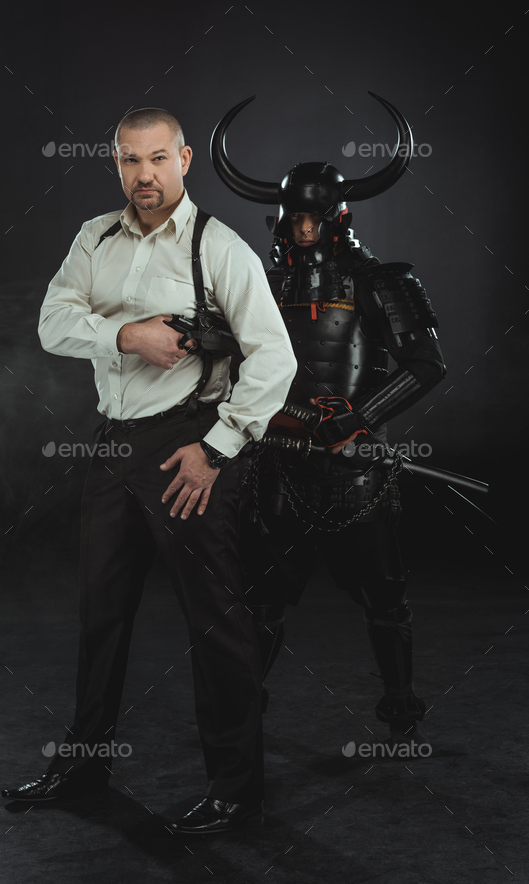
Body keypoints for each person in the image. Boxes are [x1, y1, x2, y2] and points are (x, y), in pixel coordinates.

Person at [1, 106, 297, 835]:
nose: (144, 175)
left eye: (158, 159)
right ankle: (85, 765)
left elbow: (275, 358)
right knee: (101, 614)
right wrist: (126, 333)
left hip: (187, 448)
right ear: (116, 164)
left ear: (185, 160)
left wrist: (219, 449)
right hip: (112, 447)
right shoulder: (93, 238)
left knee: (215, 621)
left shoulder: (217, 247)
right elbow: (52, 323)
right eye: (130, 161)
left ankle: (236, 788)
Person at [210, 93, 446, 747]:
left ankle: (400, 714)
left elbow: (427, 364)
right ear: (281, 218)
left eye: (313, 217)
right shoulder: (260, 287)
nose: (303, 228)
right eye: (295, 217)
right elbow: (236, 369)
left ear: (335, 216)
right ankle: (243, 713)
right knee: (261, 602)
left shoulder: (382, 280)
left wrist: (362, 415)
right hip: (281, 468)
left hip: (356, 473)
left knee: (384, 600)